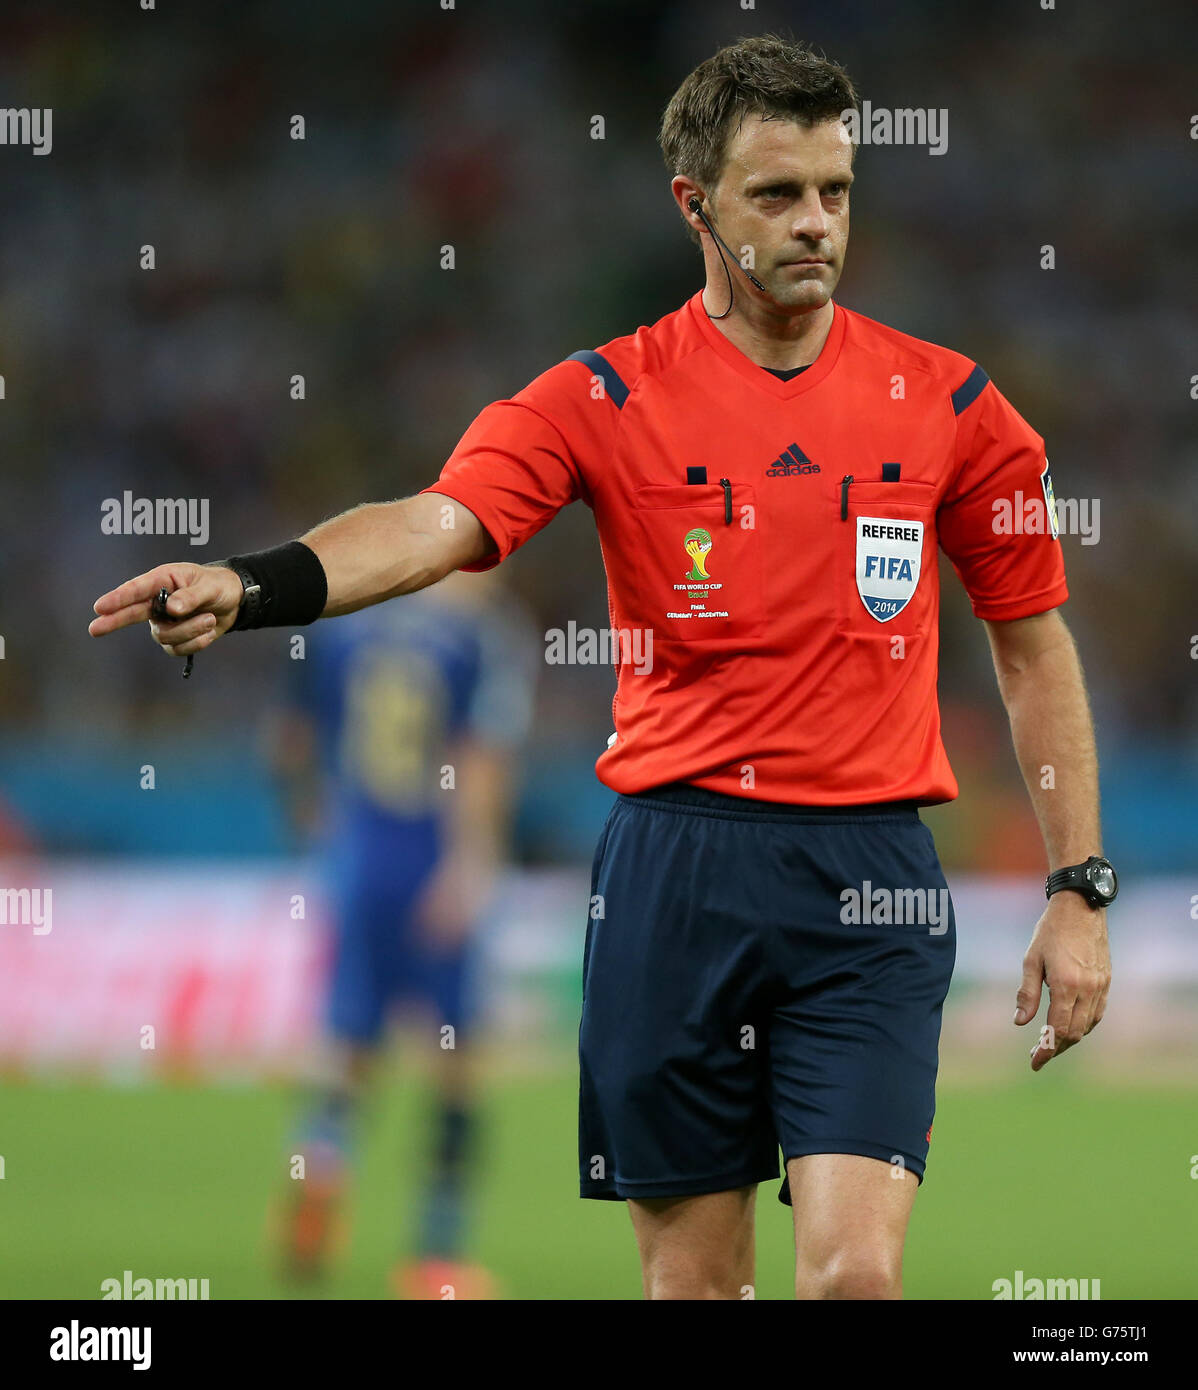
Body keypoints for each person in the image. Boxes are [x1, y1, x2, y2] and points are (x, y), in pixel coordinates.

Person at [91, 35, 1114, 1300]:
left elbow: (1030, 644)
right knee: (694, 1288)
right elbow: (433, 526)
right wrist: (252, 583)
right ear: (695, 205)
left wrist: (1078, 884)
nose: (815, 224)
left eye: (835, 192)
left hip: (872, 884)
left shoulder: (954, 405)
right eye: (776, 194)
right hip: (672, 876)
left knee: (854, 1278)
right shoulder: (598, 398)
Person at [270, 570, 534, 1299]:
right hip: (430, 854)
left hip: (356, 856)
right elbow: (479, 759)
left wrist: (314, 824)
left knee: (350, 1047)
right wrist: (468, 865)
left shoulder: (341, 631)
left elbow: (288, 744)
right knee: (459, 1063)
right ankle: (436, 1256)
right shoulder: (480, 640)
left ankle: (319, 1161)